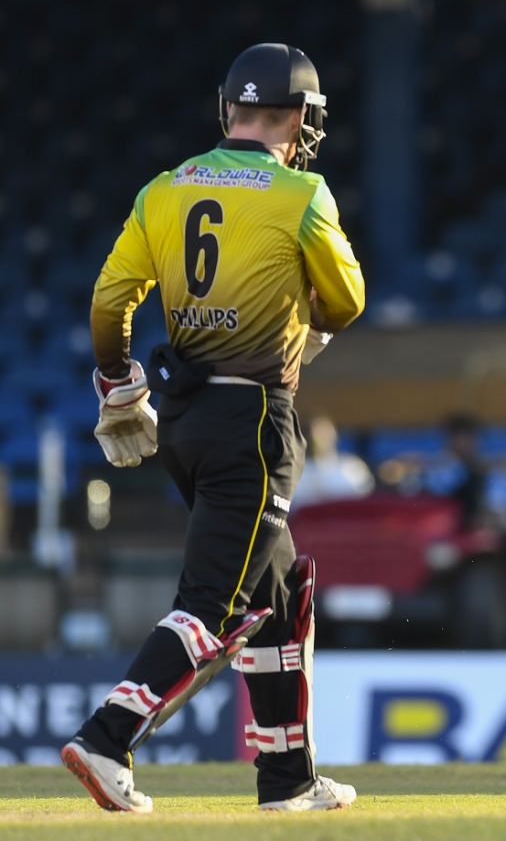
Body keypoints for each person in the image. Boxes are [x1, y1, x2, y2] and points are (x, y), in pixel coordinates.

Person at [63, 43, 365, 812]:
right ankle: (107, 737)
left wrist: (117, 380)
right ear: (300, 119)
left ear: (228, 108)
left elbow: (109, 302)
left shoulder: (164, 188)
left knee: (279, 590)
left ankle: (287, 778)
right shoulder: (302, 191)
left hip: (184, 419)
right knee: (214, 603)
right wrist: (307, 322)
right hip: (256, 418)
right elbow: (348, 300)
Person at [292, 415, 375, 508]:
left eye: (323, 433)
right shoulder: (293, 473)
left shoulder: (352, 467)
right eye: (311, 433)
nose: (316, 438)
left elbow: (363, 503)